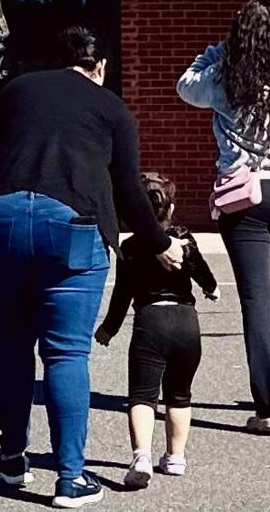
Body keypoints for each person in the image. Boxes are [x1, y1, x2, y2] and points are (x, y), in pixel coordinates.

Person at [0, 26, 186, 509]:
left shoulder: (15, 91)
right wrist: (159, 244)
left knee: (9, 343)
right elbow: (130, 191)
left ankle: (11, 458)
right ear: (101, 67)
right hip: (72, 225)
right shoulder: (111, 107)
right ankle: (70, 478)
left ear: (54, 62)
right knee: (66, 353)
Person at [177, 0, 270, 434]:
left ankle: (269, 407)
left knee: (256, 300)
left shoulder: (224, 77)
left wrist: (218, 51)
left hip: (248, 199)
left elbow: (186, 86)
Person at [94, 172, 219, 488]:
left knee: (142, 395)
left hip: (150, 321)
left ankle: (142, 456)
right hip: (187, 322)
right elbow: (199, 267)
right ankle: (175, 456)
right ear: (171, 208)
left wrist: (109, 329)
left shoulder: (132, 248)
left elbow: (122, 294)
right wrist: (211, 287)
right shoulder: (182, 236)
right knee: (179, 394)